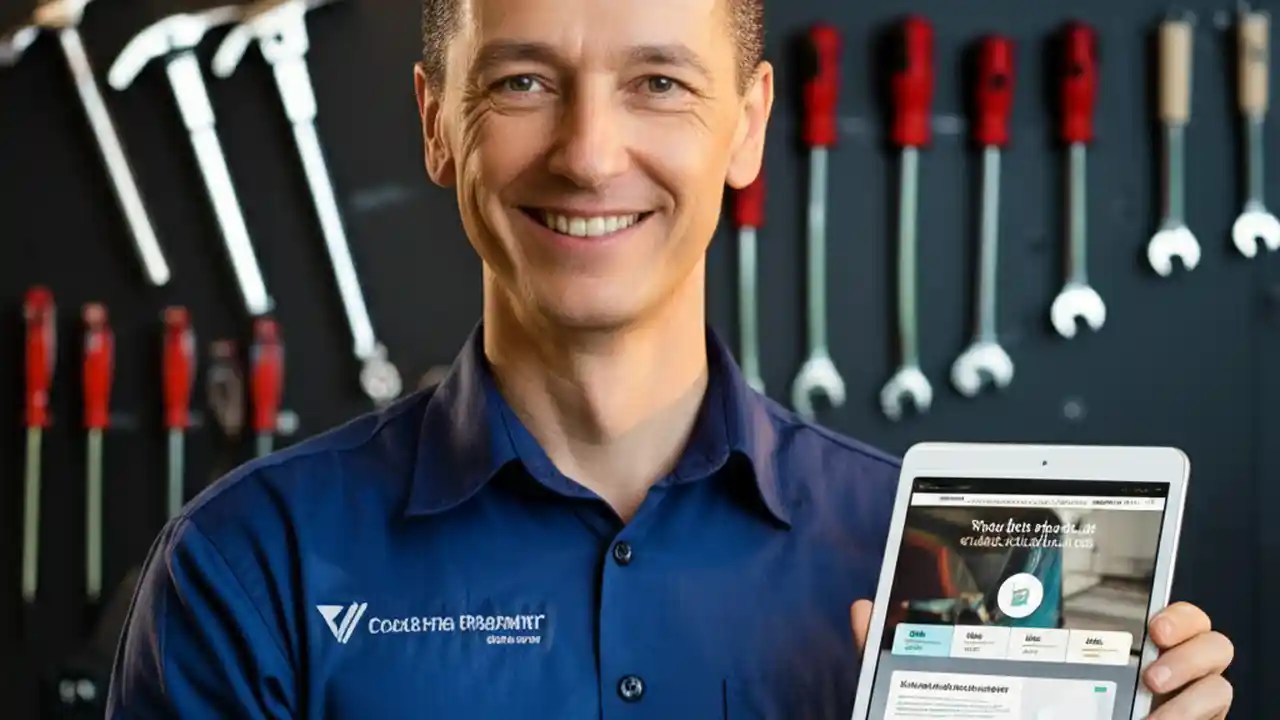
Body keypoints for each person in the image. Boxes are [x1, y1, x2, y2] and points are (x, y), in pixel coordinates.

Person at [106, 0, 1235, 717]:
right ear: (435, 125)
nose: (590, 155)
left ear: (747, 125)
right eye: (520, 82)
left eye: (657, 82)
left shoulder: (934, 572)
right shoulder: (248, 570)